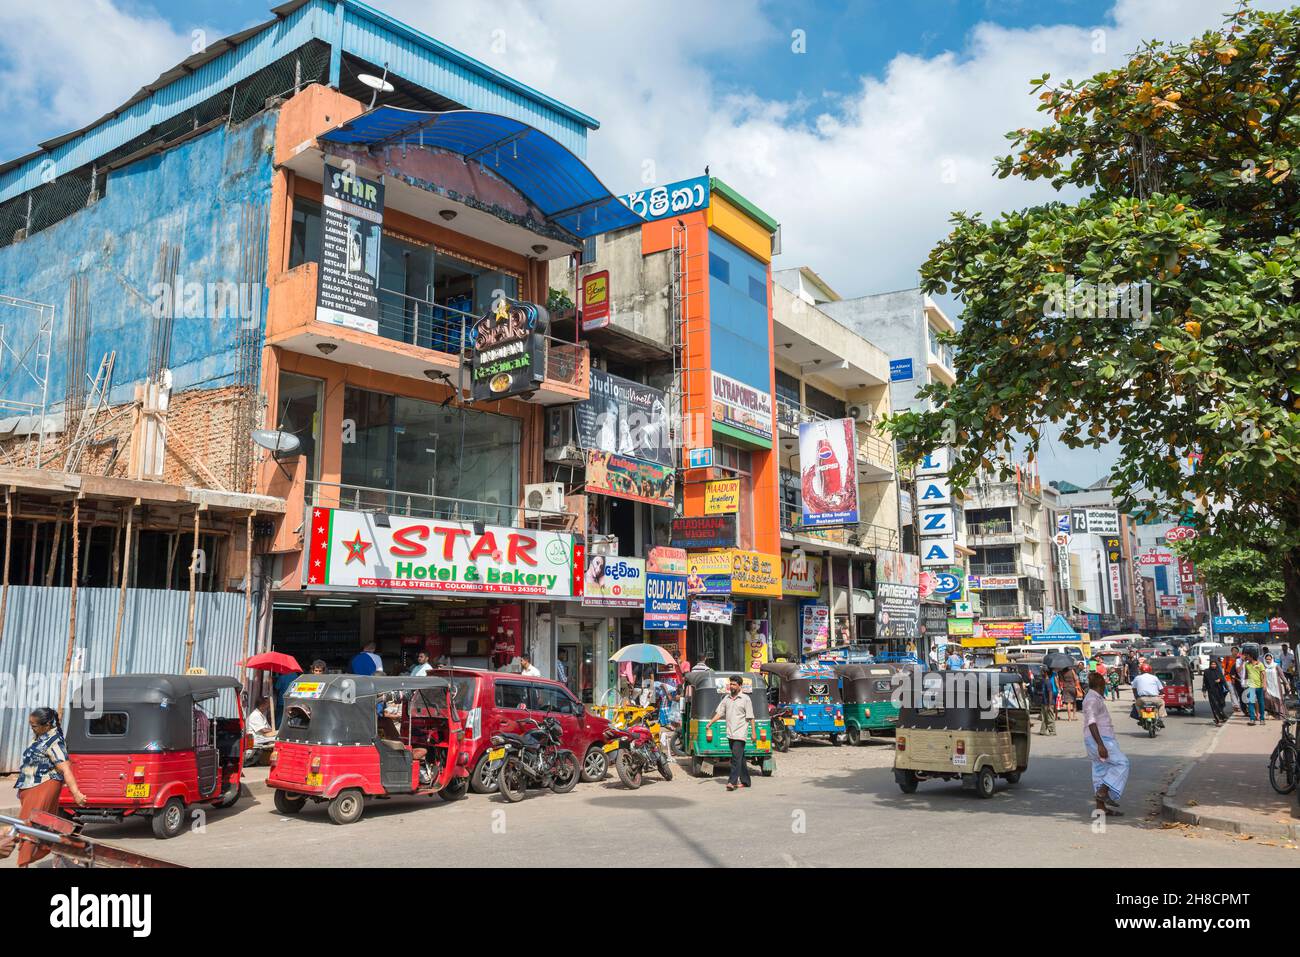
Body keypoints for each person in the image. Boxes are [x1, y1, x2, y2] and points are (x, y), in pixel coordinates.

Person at [0, 707, 88, 866]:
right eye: (30, 724)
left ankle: (23, 863)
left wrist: (76, 793)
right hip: (32, 787)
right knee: (37, 826)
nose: (31, 728)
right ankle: (61, 848)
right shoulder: (40, 736)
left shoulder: (54, 741)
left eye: (34, 725)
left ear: (46, 725)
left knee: (28, 826)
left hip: (43, 787)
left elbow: (65, 768)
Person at [1083, 673, 1128, 817]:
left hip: (1099, 738)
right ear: (1100, 685)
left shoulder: (1095, 698)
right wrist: (1100, 745)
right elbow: (1091, 722)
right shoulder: (1091, 700)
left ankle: (1100, 808)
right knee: (1122, 763)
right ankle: (1103, 790)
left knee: (1100, 771)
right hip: (1100, 739)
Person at [710, 674, 756, 791]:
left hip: (740, 734)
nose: (732, 686)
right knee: (740, 758)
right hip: (730, 733)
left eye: (734, 684)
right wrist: (711, 723)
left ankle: (732, 782)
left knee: (735, 758)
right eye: (730, 684)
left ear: (740, 686)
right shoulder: (726, 698)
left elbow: (751, 717)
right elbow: (720, 713)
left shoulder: (746, 699)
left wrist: (753, 733)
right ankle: (746, 781)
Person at [1202, 656, 1229, 726]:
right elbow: (1205, 682)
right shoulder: (1206, 672)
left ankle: (1222, 717)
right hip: (1211, 691)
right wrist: (1204, 691)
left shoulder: (1218, 671)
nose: (1213, 665)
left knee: (1220, 704)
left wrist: (1220, 680)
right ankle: (1218, 719)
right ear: (1210, 665)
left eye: (1214, 664)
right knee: (1214, 705)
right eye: (1212, 664)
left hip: (1219, 690)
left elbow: (1223, 680)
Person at [1243, 651, 1267, 725]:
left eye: (1248, 656)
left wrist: (1264, 684)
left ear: (1252, 656)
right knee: (1251, 702)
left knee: (1261, 702)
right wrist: (1245, 684)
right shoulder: (1247, 664)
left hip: (1259, 686)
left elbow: (1263, 675)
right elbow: (1246, 674)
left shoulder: (1260, 664)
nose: (1247, 657)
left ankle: (1262, 719)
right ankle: (1252, 719)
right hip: (1251, 686)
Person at [1263, 653, 1286, 717]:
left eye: (1269, 659)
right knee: (1267, 698)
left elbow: (1282, 676)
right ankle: (1271, 712)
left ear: (1272, 659)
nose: (1268, 660)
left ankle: (1279, 713)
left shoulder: (1276, 666)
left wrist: (1286, 683)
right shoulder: (1263, 666)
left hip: (1276, 686)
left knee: (1277, 699)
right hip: (1267, 686)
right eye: (1267, 659)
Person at [1036, 668, 1057, 736]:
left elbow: (1050, 693)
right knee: (1044, 717)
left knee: (1049, 717)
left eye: (1042, 672)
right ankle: (1043, 730)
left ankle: (1052, 731)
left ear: (1045, 673)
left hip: (1048, 703)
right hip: (1044, 702)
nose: (1041, 673)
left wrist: (1049, 704)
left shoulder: (1048, 682)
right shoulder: (1044, 681)